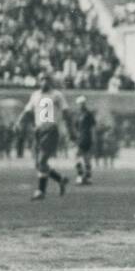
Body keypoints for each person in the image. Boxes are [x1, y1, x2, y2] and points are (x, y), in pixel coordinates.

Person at [19, 72, 70, 201]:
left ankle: (41, 191)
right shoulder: (35, 95)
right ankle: (60, 179)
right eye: (42, 79)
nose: (44, 82)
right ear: (38, 81)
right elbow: (27, 111)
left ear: (51, 82)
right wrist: (18, 122)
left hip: (51, 130)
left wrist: (70, 128)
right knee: (39, 164)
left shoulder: (57, 95)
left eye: (47, 79)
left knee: (41, 161)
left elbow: (66, 111)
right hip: (38, 131)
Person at [74, 95, 96, 185]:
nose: (80, 105)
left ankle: (80, 176)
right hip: (83, 137)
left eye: (81, 104)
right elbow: (76, 127)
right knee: (86, 159)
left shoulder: (86, 114)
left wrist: (93, 139)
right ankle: (88, 177)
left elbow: (92, 127)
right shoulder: (81, 114)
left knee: (77, 156)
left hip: (85, 138)